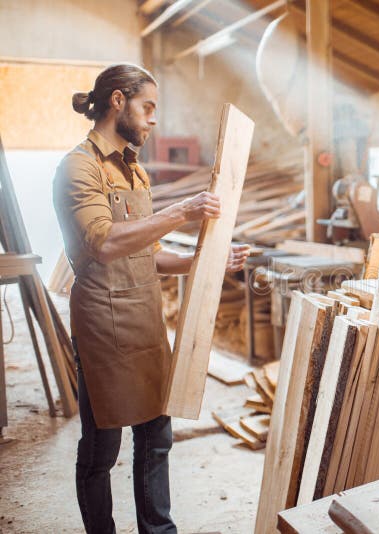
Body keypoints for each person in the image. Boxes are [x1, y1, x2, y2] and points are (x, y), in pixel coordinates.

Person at [53, 63, 249, 534]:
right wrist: (182, 210)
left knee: (156, 439)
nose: (153, 119)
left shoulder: (135, 172)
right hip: (103, 327)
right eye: (148, 107)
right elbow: (103, 242)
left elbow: (150, 256)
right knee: (102, 450)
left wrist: (209, 260)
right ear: (118, 101)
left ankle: (158, 531)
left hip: (144, 320)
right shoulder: (79, 166)